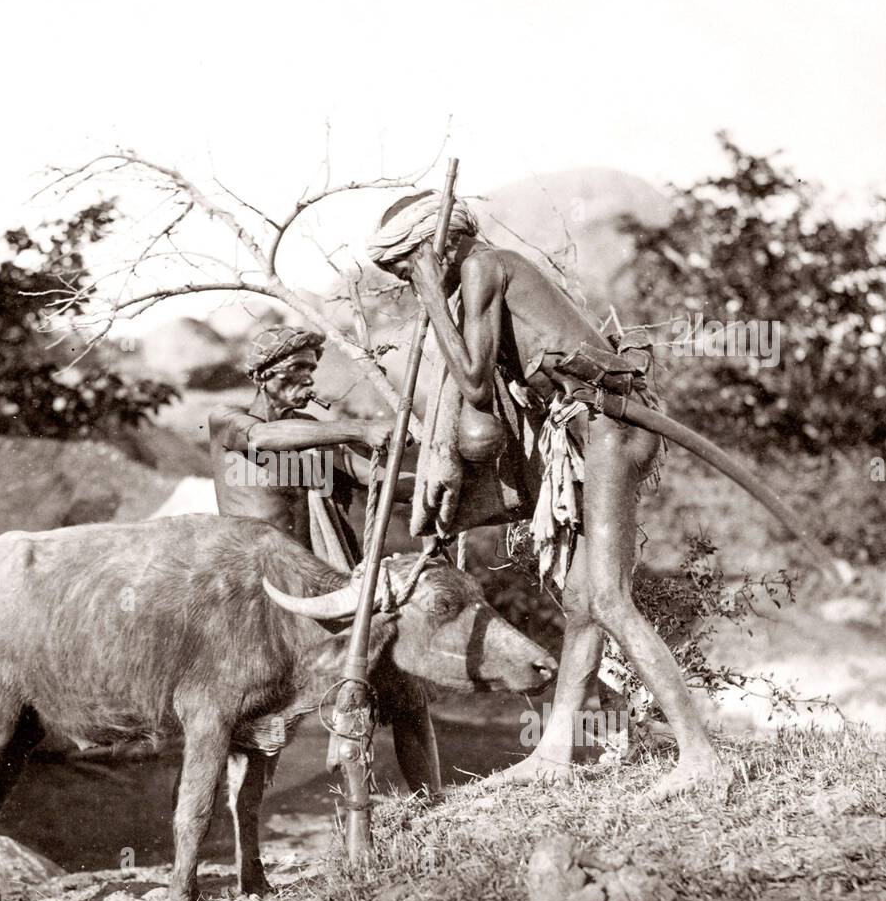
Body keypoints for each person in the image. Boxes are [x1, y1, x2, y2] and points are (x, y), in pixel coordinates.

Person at [368, 191, 721, 799]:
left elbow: (475, 384)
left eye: (408, 266)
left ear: (438, 245)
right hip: (587, 432)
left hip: (612, 425)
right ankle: (554, 752)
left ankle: (700, 753)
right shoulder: (479, 276)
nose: (407, 280)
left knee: (607, 599)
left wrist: (429, 290)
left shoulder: (484, 266)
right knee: (583, 603)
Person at [209, 325, 412, 568]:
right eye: (297, 367)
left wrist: (435, 485)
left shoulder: (311, 432)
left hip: (309, 572)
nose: (308, 379)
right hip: (250, 570)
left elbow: (377, 477)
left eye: (311, 369)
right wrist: (362, 429)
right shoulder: (226, 419)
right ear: (262, 375)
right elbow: (260, 438)